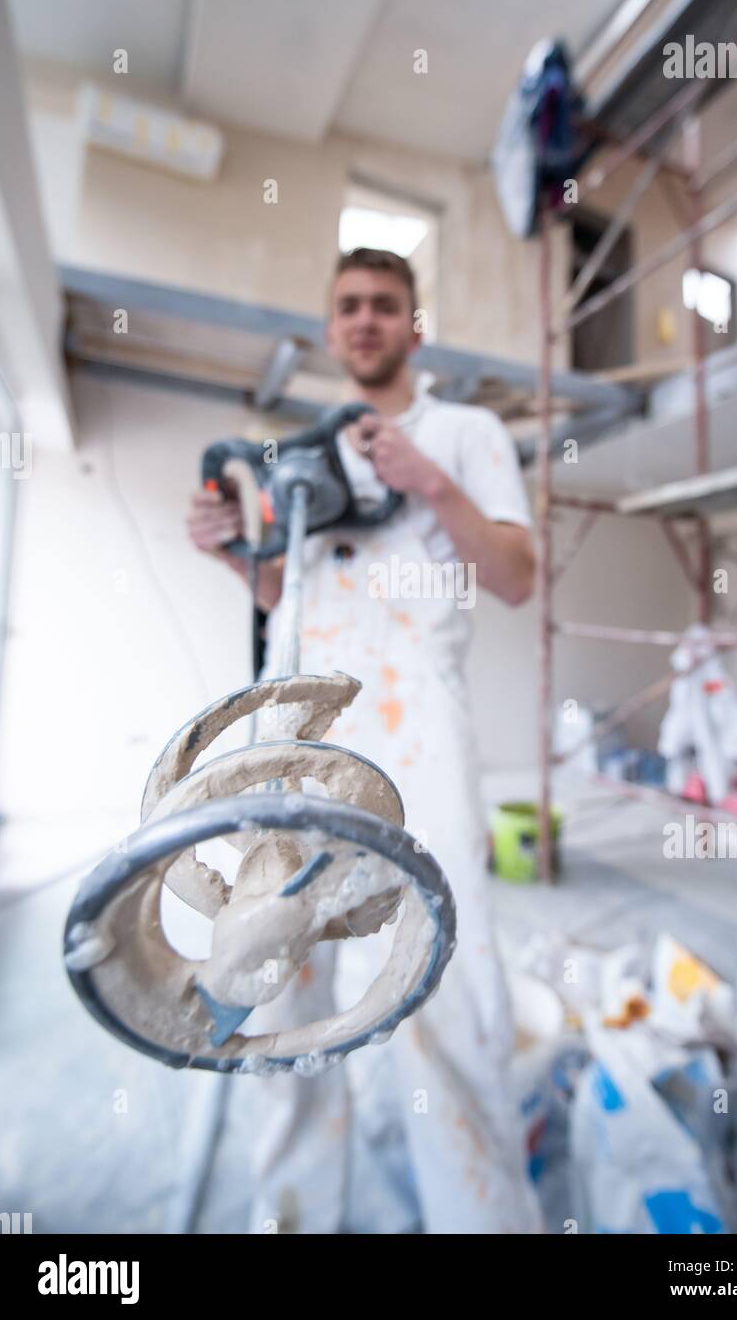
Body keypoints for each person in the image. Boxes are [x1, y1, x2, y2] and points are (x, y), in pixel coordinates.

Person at [187, 247, 543, 1234]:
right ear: (332, 326)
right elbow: (287, 596)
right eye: (349, 306)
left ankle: (483, 1221)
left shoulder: (467, 432)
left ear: (414, 326)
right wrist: (230, 551)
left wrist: (427, 478)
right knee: (279, 986)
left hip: (418, 727)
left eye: (387, 305)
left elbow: (515, 572)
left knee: (450, 989)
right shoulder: (305, 450)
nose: (367, 319)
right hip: (301, 725)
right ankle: (295, 1215)